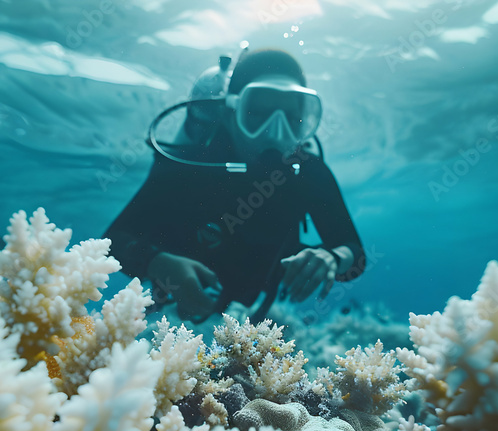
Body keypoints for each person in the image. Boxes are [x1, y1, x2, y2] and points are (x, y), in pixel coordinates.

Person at [104, 48, 365, 323]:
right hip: (174, 314)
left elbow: (355, 254)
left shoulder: (308, 171)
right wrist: (157, 262)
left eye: (291, 117)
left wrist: (332, 258)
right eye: (258, 113)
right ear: (230, 113)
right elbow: (113, 241)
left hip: (254, 306)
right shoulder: (188, 166)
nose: (276, 132)